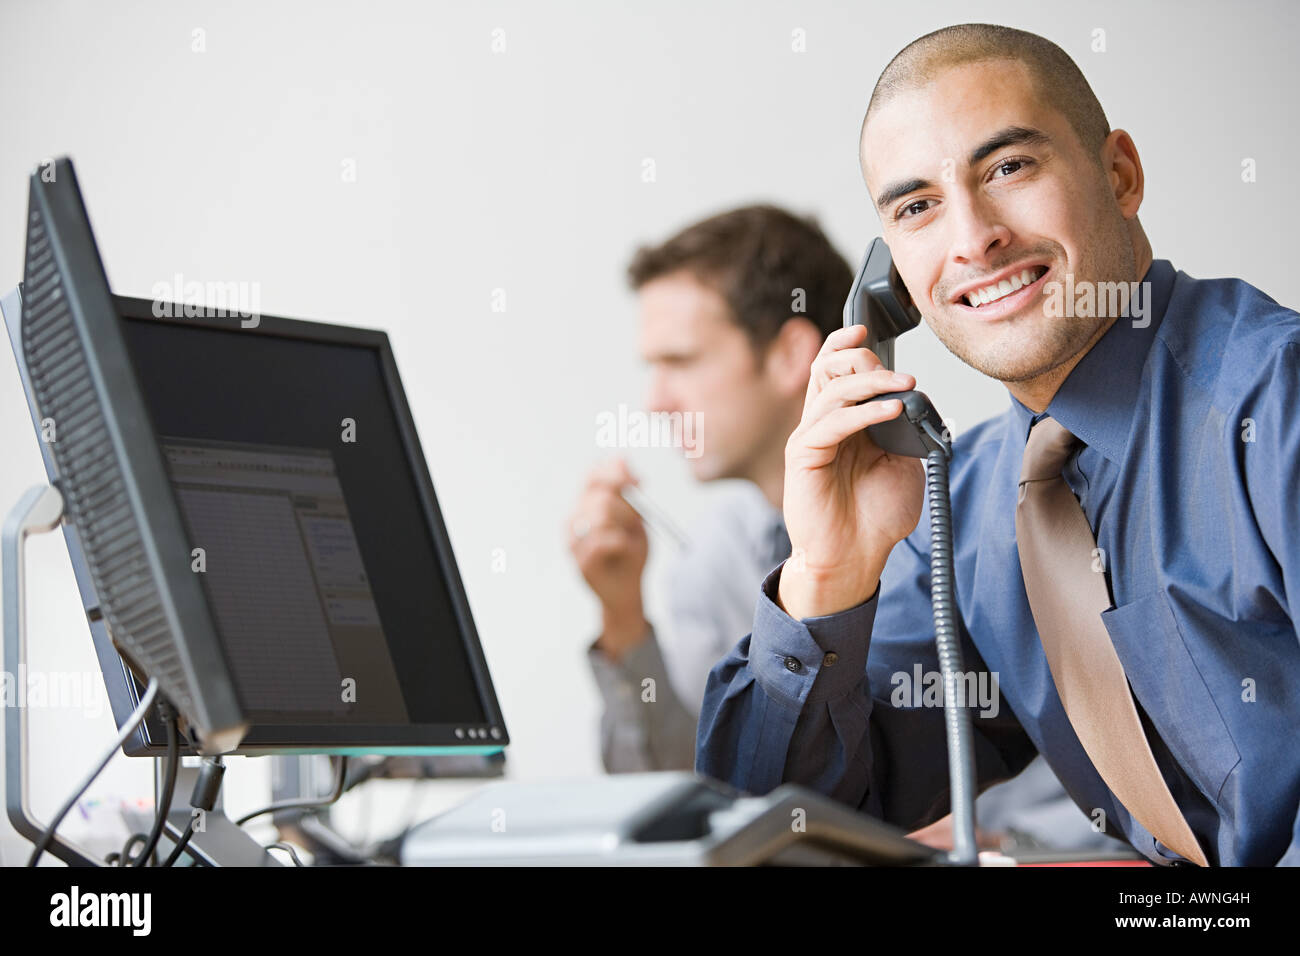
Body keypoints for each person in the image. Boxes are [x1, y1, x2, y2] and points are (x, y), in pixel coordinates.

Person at [696, 23, 1300, 866]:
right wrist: (825, 576)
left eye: (1009, 168)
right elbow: (769, 825)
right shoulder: (965, 508)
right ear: (892, 278)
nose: (973, 239)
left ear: (1120, 175)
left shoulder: (1275, 403)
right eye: (918, 207)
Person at [569, 204, 843, 772]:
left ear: (790, 355)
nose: (656, 402)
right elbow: (685, 785)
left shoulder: (942, 520)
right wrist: (622, 613)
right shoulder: (717, 554)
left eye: (681, 361)